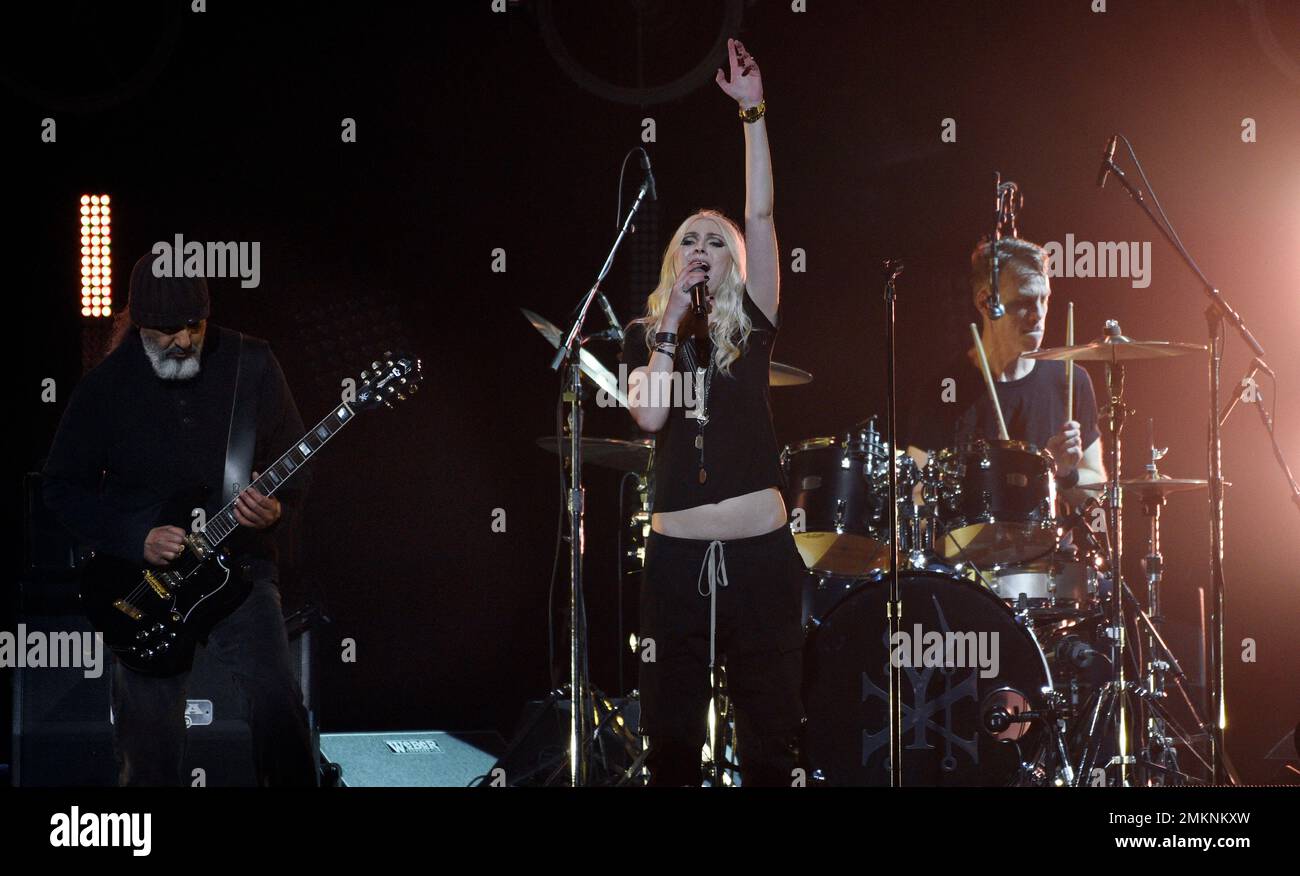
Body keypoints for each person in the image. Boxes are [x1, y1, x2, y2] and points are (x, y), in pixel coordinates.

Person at [42, 254, 318, 786]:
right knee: (149, 749)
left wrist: (277, 511)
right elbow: (61, 487)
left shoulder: (252, 363)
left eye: (194, 325)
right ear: (139, 322)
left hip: (240, 570)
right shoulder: (107, 385)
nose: (184, 341)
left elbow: (296, 462)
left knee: (279, 705)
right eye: (167, 330)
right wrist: (135, 536)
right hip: (142, 585)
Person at [620, 38, 804, 787]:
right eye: (687, 240)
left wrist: (752, 113)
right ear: (674, 260)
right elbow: (650, 421)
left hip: (759, 557)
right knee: (670, 739)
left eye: (713, 241)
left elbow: (760, 210)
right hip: (675, 562)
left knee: (767, 738)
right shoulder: (645, 335)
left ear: (733, 260)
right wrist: (666, 331)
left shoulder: (754, 321)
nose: (700, 246)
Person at [905, 237, 1106, 512]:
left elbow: (1094, 496)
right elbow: (917, 496)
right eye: (1023, 302)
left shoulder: (1071, 379)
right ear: (986, 302)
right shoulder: (944, 389)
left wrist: (1064, 474)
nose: (1038, 316)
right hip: (969, 552)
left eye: (1044, 299)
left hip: (1052, 552)